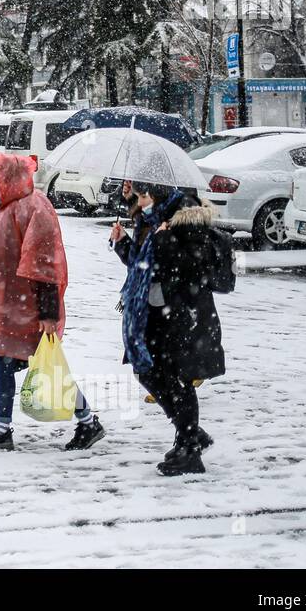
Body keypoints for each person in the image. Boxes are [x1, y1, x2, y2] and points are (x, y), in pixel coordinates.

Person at [0, 152, 104, 451]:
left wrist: (48, 312)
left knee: (48, 367)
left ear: (12, 179)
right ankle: (3, 429)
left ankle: (87, 421)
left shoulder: (35, 208)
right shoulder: (4, 207)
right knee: (3, 361)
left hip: (27, 306)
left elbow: (45, 264)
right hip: (5, 304)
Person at [110, 182, 228, 476]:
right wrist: (123, 243)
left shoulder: (186, 216)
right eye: (137, 195)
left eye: (143, 194)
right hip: (151, 311)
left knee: (178, 377)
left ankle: (190, 450)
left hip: (182, 313)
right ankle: (190, 432)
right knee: (147, 371)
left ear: (159, 191)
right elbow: (141, 266)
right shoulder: (148, 219)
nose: (139, 200)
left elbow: (194, 265)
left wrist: (165, 240)